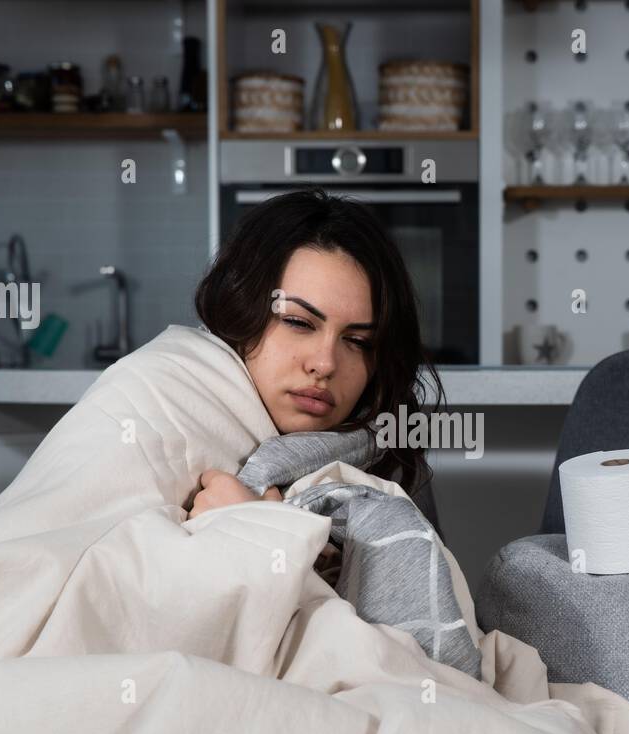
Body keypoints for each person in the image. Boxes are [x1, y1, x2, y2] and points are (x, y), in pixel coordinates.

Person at [186, 186, 443, 520]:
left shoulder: (393, 460)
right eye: (298, 322)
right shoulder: (178, 424)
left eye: (359, 342)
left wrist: (252, 534)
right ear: (238, 313)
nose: (325, 364)